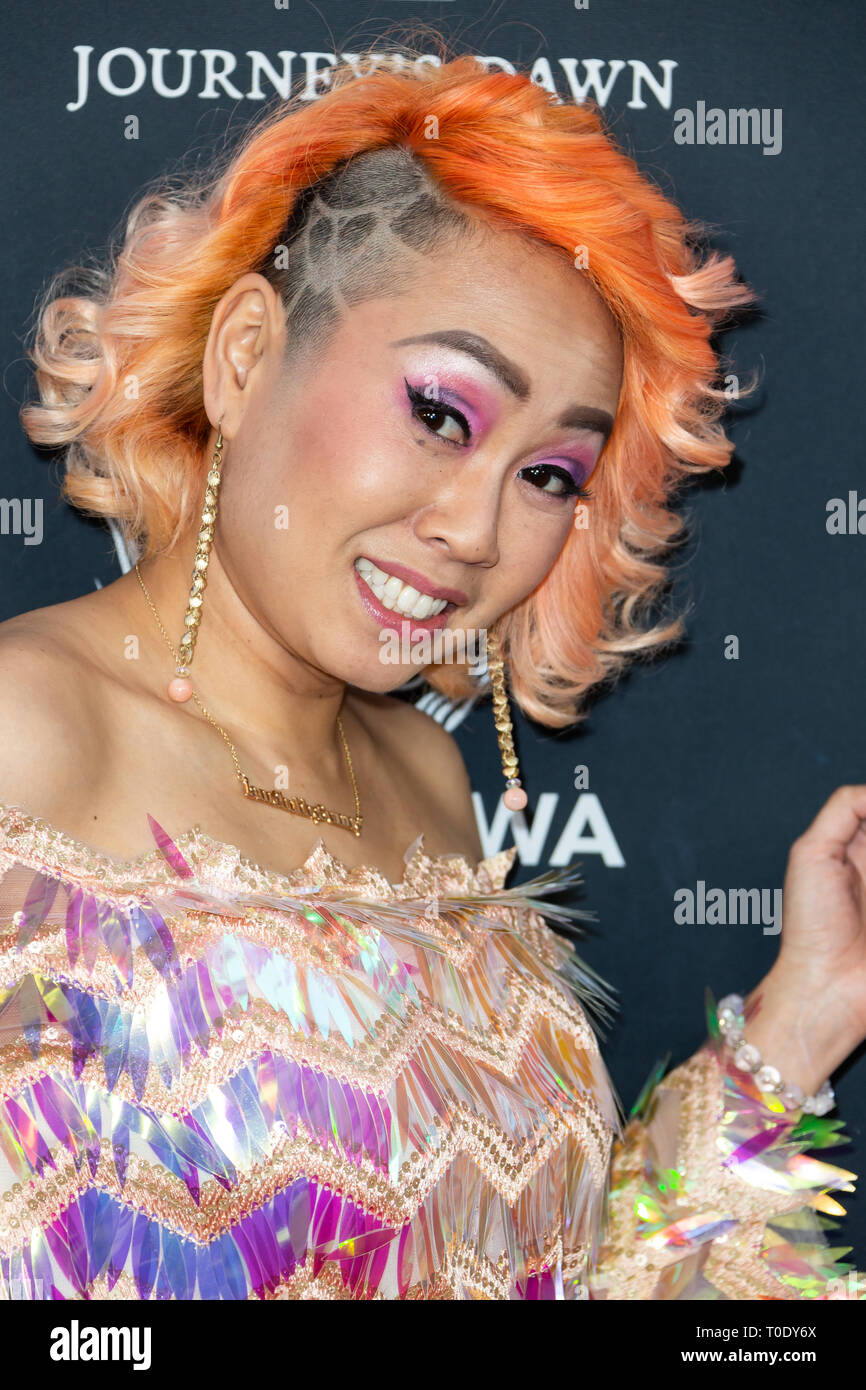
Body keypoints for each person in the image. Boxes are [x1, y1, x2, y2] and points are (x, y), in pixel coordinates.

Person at [0, 50, 864, 1301]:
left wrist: (804, 1013)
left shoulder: (420, 775)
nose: (476, 527)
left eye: (549, 475)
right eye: (442, 414)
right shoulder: (25, 735)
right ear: (245, 357)